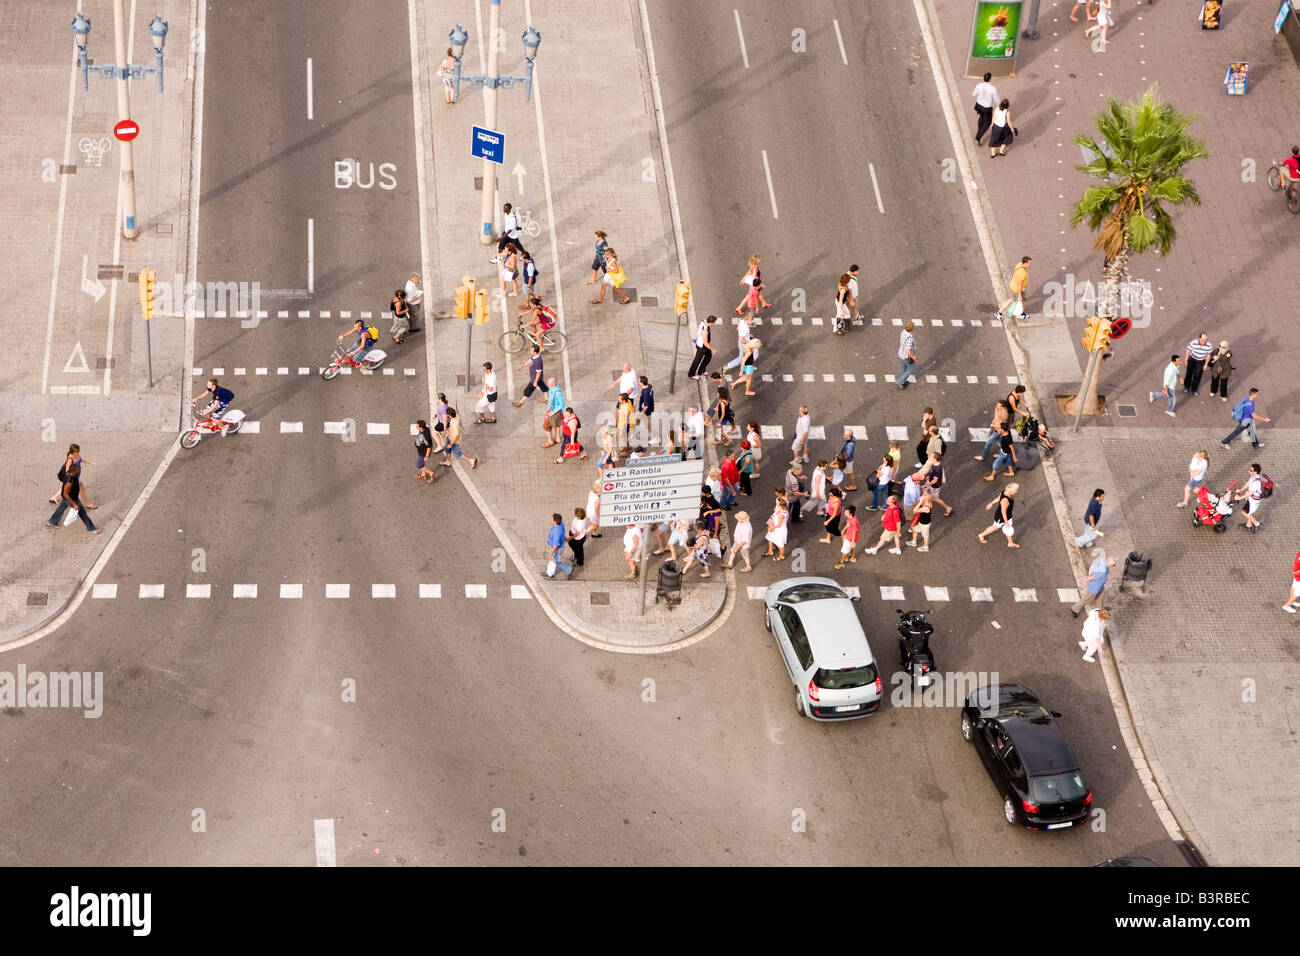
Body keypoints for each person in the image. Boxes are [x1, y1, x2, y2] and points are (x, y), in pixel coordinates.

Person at [46, 463, 102, 534]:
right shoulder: (69, 482)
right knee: (83, 514)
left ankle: (51, 522)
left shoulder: (73, 475)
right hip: (72, 499)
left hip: (71, 497)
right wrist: (74, 504)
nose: (80, 470)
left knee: (61, 508)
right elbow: (64, 494)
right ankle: (91, 529)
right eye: (78, 470)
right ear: (73, 471)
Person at [977, 483, 1019, 548]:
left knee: (1008, 528)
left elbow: (998, 498)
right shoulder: (1005, 500)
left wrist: (991, 503)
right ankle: (981, 535)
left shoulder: (1005, 492)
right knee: (994, 528)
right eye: (1016, 490)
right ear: (1011, 490)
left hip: (1008, 516)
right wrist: (1006, 522)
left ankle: (1010, 543)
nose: (1017, 491)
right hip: (1001, 517)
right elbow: (1003, 512)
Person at [1235, 463, 1267, 532]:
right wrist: (1240, 490)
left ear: (1255, 472)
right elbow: (1248, 483)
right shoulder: (1253, 477)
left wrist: (1239, 498)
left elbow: (1250, 493)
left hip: (1253, 500)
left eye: (1251, 470)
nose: (1249, 471)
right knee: (1249, 512)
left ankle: (1257, 524)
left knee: (1244, 512)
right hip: (1251, 499)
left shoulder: (1257, 482)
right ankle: (1248, 525)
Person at [688, 315, 717, 379]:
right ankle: (691, 374)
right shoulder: (705, 331)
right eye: (714, 322)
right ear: (711, 323)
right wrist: (713, 349)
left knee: (708, 356)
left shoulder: (704, 321)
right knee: (697, 360)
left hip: (702, 345)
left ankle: (701, 371)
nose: (715, 323)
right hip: (702, 347)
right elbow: (705, 343)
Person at [546, 513, 574, 578]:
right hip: (559, 546)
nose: (551, 519)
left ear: (554, 521)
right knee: (553, 560)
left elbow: (555, 545)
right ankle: (550, 573)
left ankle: (569, 570)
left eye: (552, 518)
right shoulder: (561, 524)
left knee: (556, 561)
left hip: (556, 549)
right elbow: (563, 533)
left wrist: (550, 554)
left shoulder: (556, 532)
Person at [542, 378, 565, 448]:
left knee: (545, 426)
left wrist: (552, 412)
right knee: (556, 424)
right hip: (552, 410)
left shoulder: (558, 393)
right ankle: (558, 438)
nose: (547, 384)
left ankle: (550, 441)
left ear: (553, 384)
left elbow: (562, 405)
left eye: (549, 383)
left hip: (553, 412)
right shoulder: (551, 389)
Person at [897, 321, 917, 388]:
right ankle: (900, 381)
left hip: (901, 353)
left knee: (903, 367)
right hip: (906, 356)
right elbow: (908, 351)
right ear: (912, 329)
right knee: (911, 368)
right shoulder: (910, 339)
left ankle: (901, 381)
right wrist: (913, 356)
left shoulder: (903, 332)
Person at [1284, 548, 1300, 614]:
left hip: (1296, 576)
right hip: (1299, 577)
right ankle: (1286, 605)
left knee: (1293, 586)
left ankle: (1292, 602)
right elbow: (1297, 571)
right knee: (1298, 593)